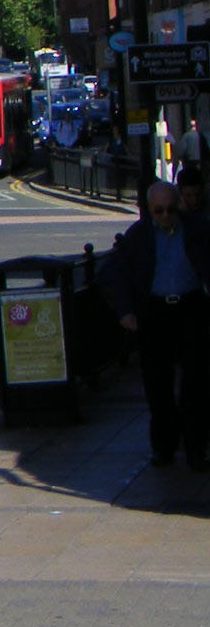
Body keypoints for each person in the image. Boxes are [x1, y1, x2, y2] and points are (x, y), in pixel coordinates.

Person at [98, 180, 210, 470]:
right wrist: (125, 311)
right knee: (158, 386)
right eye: (158, 211)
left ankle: (197, 449)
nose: (165, 216)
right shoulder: (139, 236)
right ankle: (164, 448)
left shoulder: (198, 229)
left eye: (171, 209)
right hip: (155, 314)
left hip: (191, 308)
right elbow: (112, 273)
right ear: (149, 210)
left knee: (196, 383)